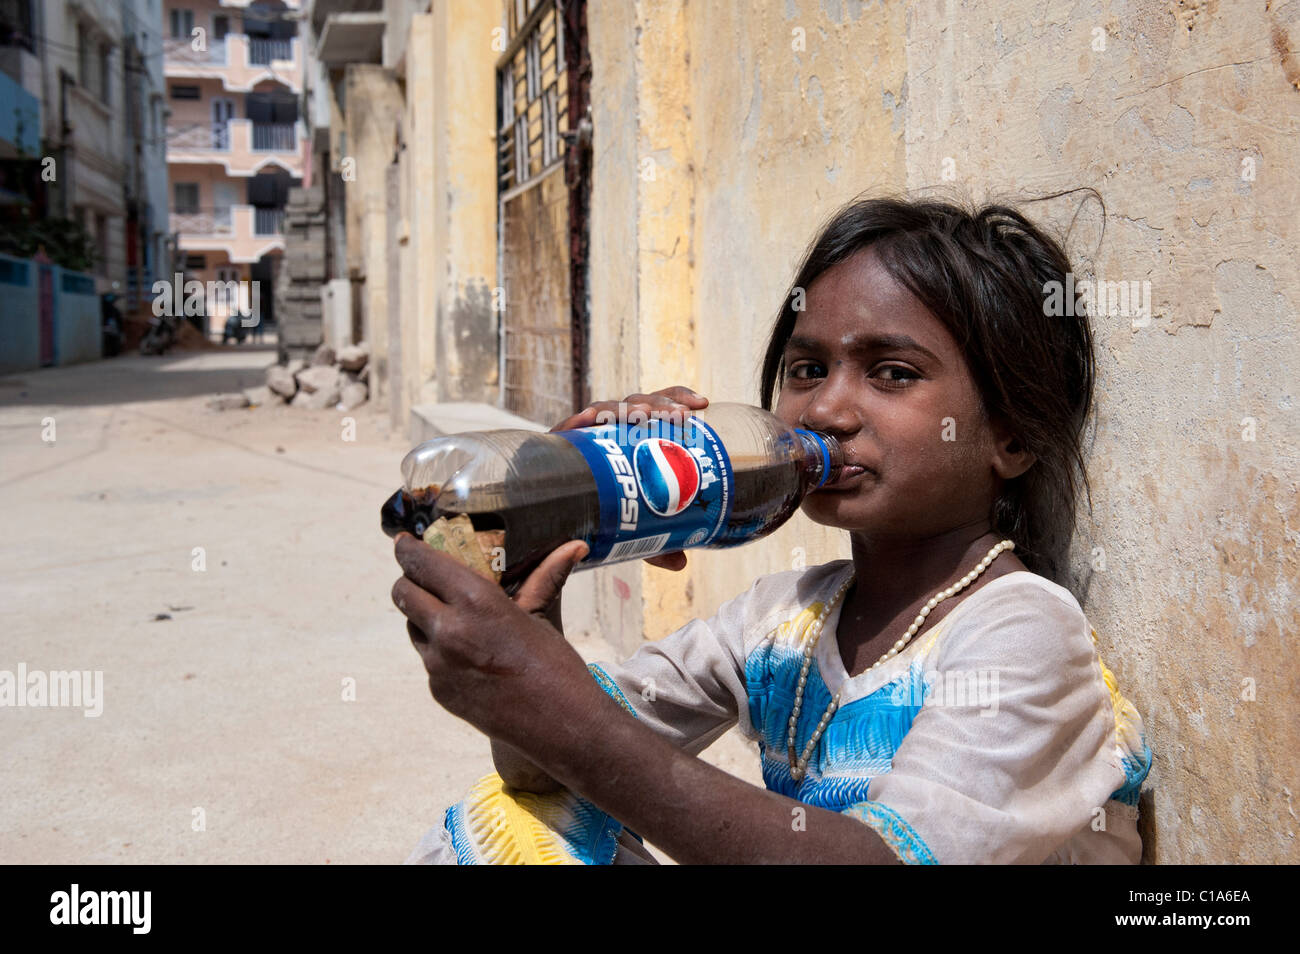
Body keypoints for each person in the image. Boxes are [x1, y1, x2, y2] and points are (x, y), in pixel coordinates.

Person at [391, 193, 1153, 865]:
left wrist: (571, 720)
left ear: (1011, 438)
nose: (825, 411)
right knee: (519, 828)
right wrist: (548, 535)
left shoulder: (1023, 629)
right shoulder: (782, 620)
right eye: (806, 370)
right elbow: (547, 775)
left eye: (892, 373)